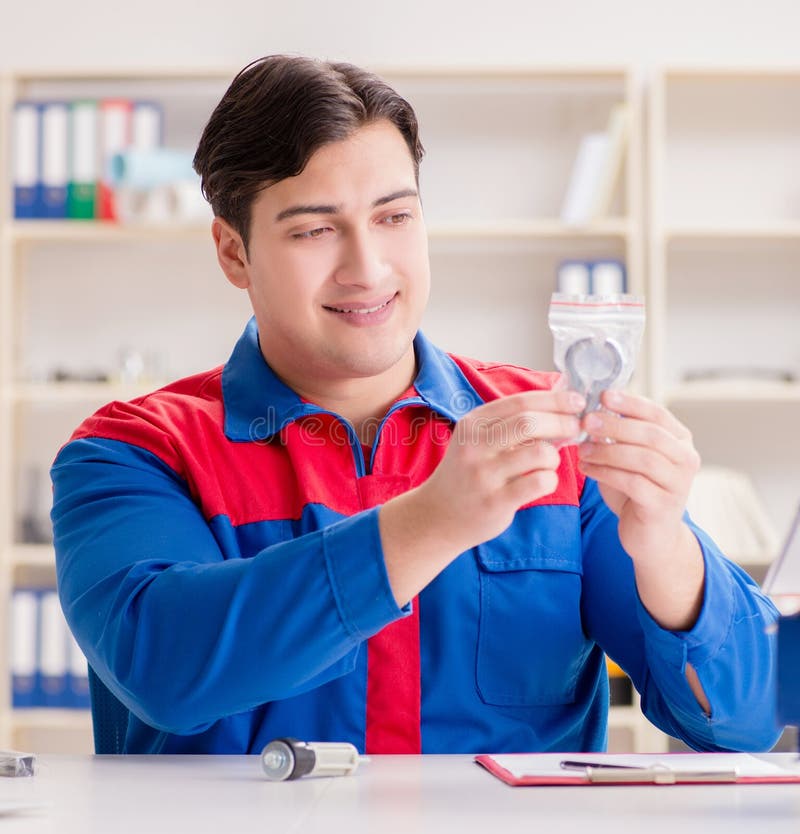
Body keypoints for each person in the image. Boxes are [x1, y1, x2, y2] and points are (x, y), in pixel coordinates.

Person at [51, 55, 782, 755]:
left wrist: (664, 546)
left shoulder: (555, 437)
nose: (367, 269)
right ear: (233, 252)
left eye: (394, 218)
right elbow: (163, 666)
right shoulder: (133, 453)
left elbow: (742, 722)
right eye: (313, 230)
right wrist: (432, 522)